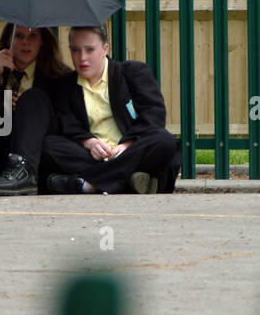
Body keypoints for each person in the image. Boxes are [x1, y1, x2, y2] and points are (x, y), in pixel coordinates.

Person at [42, 25, 181, 194]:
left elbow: (154, 115)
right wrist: (89, 142)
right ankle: (128, 181)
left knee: (164, 140)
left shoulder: (132, 72)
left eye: (90, 50)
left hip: (130, 151)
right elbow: (66, 123)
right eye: (75, 51)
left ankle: (89, 185)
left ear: (104, 49)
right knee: (48, 145)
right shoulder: (65, 85)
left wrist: (128, 144)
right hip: (92, 157)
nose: (82, 58)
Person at [0, 23, 69, 196]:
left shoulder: (59, 78)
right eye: (19, 36)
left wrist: (23, 111)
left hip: (35, 156)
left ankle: (22, 173)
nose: (25, 43)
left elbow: (65, 122)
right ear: (8, 40)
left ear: (42, 42)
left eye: (33, 37)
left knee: (32, 99)